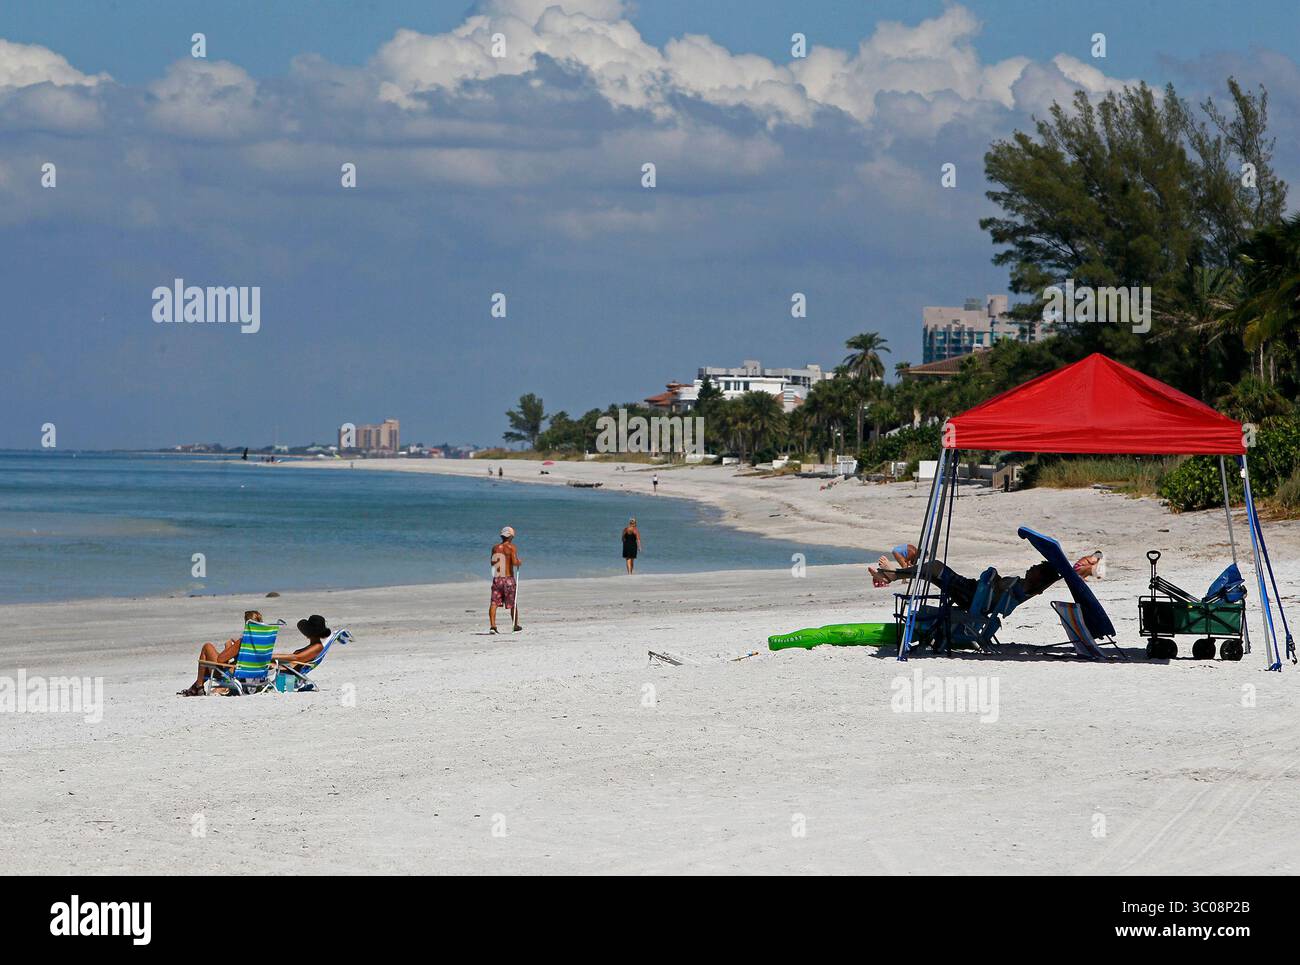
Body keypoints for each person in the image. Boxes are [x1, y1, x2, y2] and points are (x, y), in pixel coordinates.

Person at [869, 544, 1103, 609]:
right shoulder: (1024, 586)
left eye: (1037, 568)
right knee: (934, 569)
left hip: (974, 596)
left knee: (934, 568)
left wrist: (1087, 567)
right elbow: (1062, 571)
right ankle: (894, 574)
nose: (1032, 567)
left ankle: (892, 574)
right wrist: (1092, 558)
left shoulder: (1027, 587)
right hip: (974, 592)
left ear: (1039, 578)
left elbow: (1061, 572)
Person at [178, 609, 263, 695]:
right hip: (254, 675)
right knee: (207, 662)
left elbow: (221, 659)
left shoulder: (244, 641)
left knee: (207, 647)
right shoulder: (263, 641)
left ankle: (198, 686)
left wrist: (228, 645)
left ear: (247, 623)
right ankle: (197, 686)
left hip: (235, 675)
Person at [490, 525, 522, 633]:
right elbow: (514, 562)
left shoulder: (495, 548)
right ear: (511, 537)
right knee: (513, 602)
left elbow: (493, 563)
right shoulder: (512, 547)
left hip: (497, 578)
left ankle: (493, 626)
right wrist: (519, 562)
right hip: (508, 579)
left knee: (494, 603)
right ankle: (515, 625)